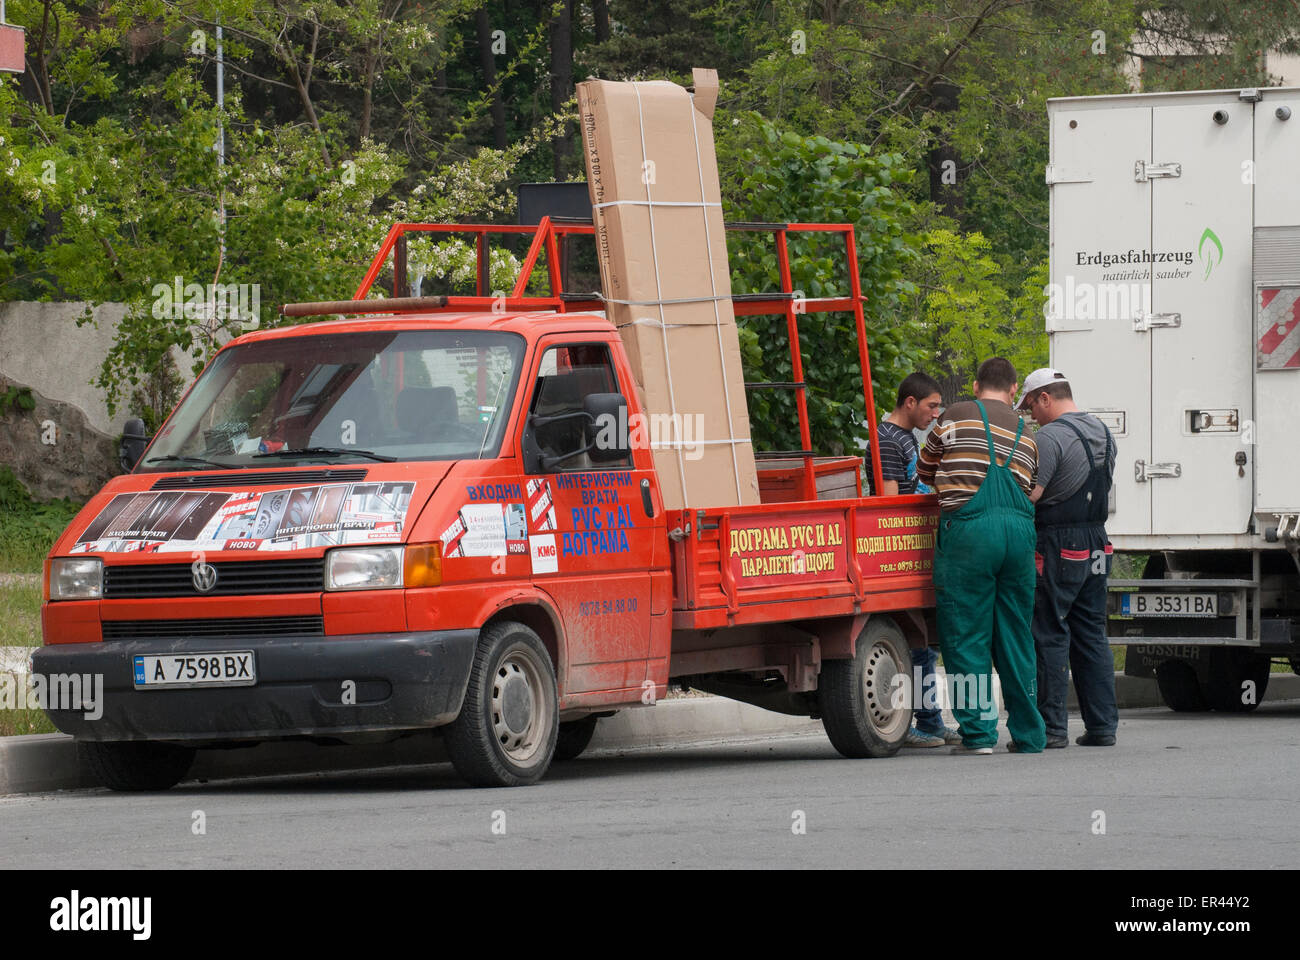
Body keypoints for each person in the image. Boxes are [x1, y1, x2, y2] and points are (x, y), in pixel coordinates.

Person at [917, 357, 1046, 755]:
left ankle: (978, 736)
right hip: (1019, 536)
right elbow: (1030, 484)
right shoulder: (1028, 433)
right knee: (1016, 636)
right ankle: (1028, 735)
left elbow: (924, 469)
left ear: (975, 386)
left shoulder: (955, 414)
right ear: (1012, 391)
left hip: (970, 534)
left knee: (965, 635)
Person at [1018, 367, 1118, 748]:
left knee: (1049, 630)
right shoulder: (1104, 433)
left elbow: (1033, 496)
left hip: (1059, 543)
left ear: (1046, 398)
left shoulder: (1049, 438)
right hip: (1097, 540)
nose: (1030, 415)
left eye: (1031, 406)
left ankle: (1052, 728)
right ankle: (1102, 727)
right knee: (1092, 633)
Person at [877, 373, 958, 749]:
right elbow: (889, 501)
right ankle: (923, 722)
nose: (935, 413)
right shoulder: (887, 442)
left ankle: (930, 720)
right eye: (930, 406)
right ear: (909, 402)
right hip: (901, 552)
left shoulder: (906, 438)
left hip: (918, 549)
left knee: (926, 642)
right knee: (920, 643)